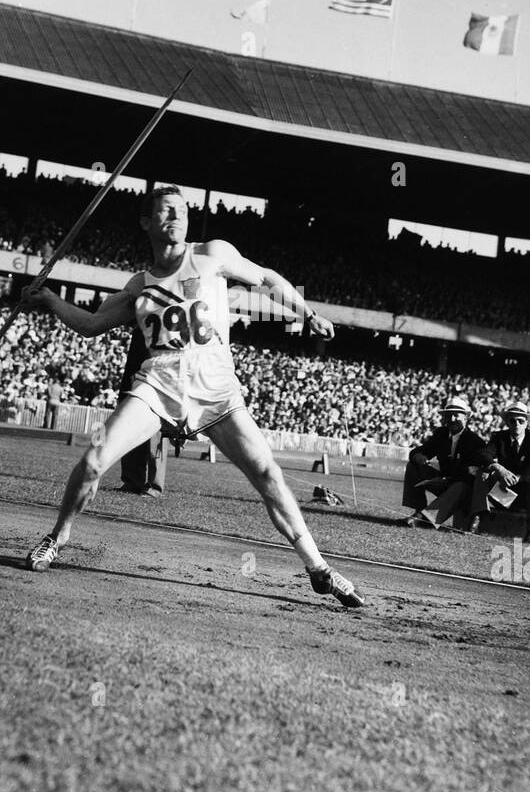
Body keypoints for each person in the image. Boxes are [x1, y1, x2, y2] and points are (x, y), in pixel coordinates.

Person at [19, 184, 364, 607]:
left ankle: (319, 569)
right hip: (159, 386)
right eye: (165, 212)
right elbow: (91, 324)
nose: (176, 219)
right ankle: (57, 537)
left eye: (181, 212)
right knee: (93, 461)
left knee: (268, 473)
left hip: (216, 390)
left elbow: (267, 278)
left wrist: (307, 313)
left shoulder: (211, 254)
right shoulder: (138, 286)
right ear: (146, 222)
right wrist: (51, 300)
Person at [400, 396, 489, 529]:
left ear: (466, 418)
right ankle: (419, 509)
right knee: (413, 465)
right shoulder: (441, 433)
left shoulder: (475, 442)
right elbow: (423, 449)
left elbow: (470, 475)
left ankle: (425, 518)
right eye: (448, 416)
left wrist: (445, 479)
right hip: (444, 481)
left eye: (455, 415)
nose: (451, 419)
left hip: (463, 489)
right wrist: (418, 456)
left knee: (460, 486)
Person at [469, 402, 530, 541]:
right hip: (501, 490)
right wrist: (499, 469)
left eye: (521, 421)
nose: (516, 424)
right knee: (484, 471)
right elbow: (484, 455)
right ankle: (477, 517)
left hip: (525, 493)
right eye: (512, 420)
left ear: (527, 423)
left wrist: (519, 477)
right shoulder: (498, 437)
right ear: (507, 422)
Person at [119, 328, 166, 496]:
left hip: (159, 380)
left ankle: (154, 485)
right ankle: (132, 480)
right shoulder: (141, 319)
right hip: (135, 375)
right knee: (130, 433)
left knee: (156, 435)